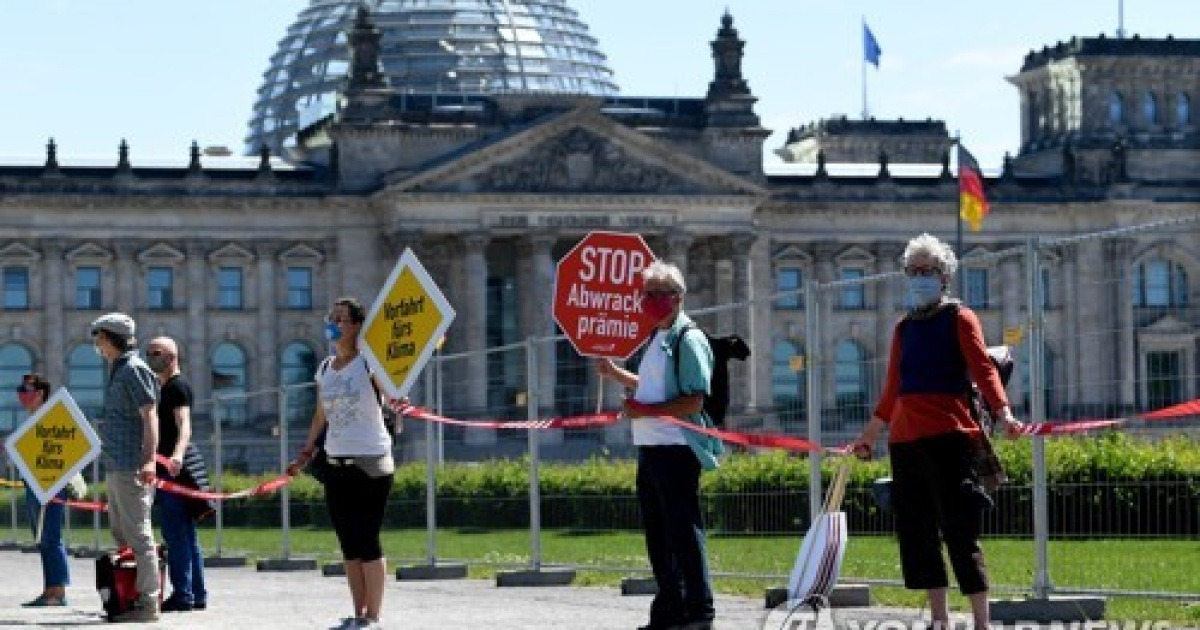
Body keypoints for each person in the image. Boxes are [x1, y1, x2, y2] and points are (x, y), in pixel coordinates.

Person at [851, 233, 1024, 630]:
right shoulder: (902, 328)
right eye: (913, 271)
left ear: (944, 276)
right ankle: (940, 620)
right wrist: (871, 433)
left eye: (927, 270)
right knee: (918, 535)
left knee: (960, 531)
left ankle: (982, 622)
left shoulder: (960, 317)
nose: (920, 277)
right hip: (905, 441)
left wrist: (1004, 413)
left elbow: (982, 369)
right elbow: (892, 387)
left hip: (950, 436)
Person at [596, 261, 721, 630]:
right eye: (644, 294)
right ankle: (669, 612)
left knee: (682, 533)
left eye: (654, 294)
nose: (646, 301)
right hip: (652, 449)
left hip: (676, 449)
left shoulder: (689, 339)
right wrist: (615, 373)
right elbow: (654, 387)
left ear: (677, 298)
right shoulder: (659, 336)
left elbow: (694, 399)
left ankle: (699, 611)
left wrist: (643, 410)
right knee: (659, 538)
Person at [287, 297, 395, 630]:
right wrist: (305, 452)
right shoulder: (324, 368)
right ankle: (358, 613)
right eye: (330, 318)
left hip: (371, 462)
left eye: (341, 319)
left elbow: (392, 395)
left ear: (358, 326)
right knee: (348, 542)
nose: (333, 324)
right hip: (335, 461)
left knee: (367, 538)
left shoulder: (369, 364)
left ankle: (373, 616)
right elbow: (322, 415)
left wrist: (398, 398)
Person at [91, 312, 161, 623]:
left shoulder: (133, 369)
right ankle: (128, 598)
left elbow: (150, 417)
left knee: (139, 535)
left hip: (131, 464)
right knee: (122, 534)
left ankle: (148, 604)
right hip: (117, 463)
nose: (96, 344)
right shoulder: (118, 369)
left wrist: (148, 460)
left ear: (108, 338)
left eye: (98, 337)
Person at [147, 336, 210, 613]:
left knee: (175, 534)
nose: (151, 358)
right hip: (172, 469)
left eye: (156, 353)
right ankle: (196, 593)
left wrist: (177, 455)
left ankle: (183, 594)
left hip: (174, 471)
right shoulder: (164, 387)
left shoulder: (177, 388)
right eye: (148, 353)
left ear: (172, 357)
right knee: (187, 534)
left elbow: (184, 425)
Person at [16, 373, 71, 608]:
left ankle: (57, 591)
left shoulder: (52, 419)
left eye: (26, 391)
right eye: (20, 390)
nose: (22, 395)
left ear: (40, 394)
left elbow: (65, 453)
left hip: (52, 486)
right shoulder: (31, 419)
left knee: (51, 537)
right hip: (34, 484)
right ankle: (49, 589)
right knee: (42, 539)